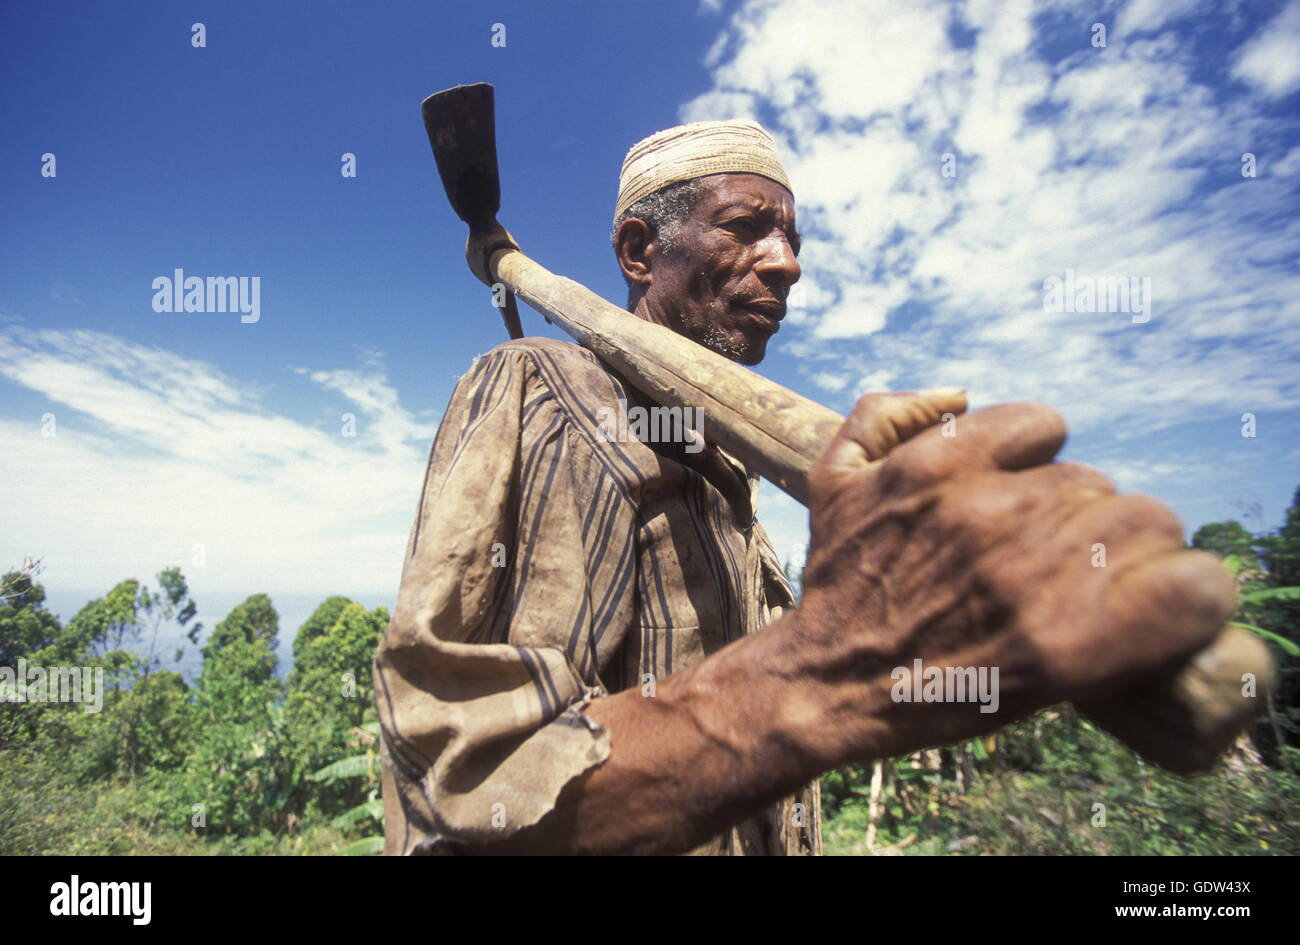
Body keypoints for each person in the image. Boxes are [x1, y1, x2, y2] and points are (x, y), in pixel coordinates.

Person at [372, 119, 1234, 855]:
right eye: (745, 227)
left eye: (791, 238)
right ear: (640, 251)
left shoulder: (734, 487)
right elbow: (456, 795)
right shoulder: (550, 393)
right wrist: (833, 668)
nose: (785, 264)